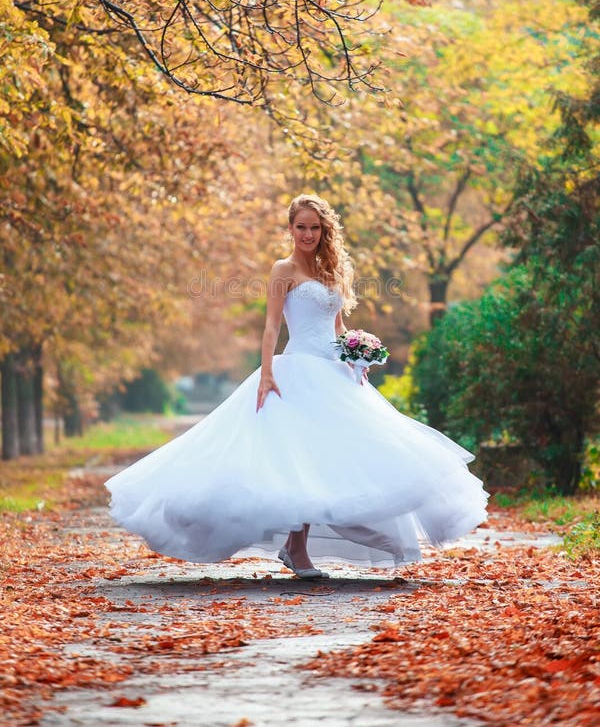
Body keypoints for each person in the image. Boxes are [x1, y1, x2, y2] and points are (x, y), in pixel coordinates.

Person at [105, 194, 488, 578]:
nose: (307, 234)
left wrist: (355, 355)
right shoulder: (282, 270)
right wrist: (267, 372)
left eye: (314, 227)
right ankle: (297, 548)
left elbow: (337, 326)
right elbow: (272, 325)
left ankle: (301, 545)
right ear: (290, 228)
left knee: (331, 456)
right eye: (301, 227)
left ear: (324, 230)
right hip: (297, 371)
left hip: (334, 374)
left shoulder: (331, 272)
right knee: (299, 456)